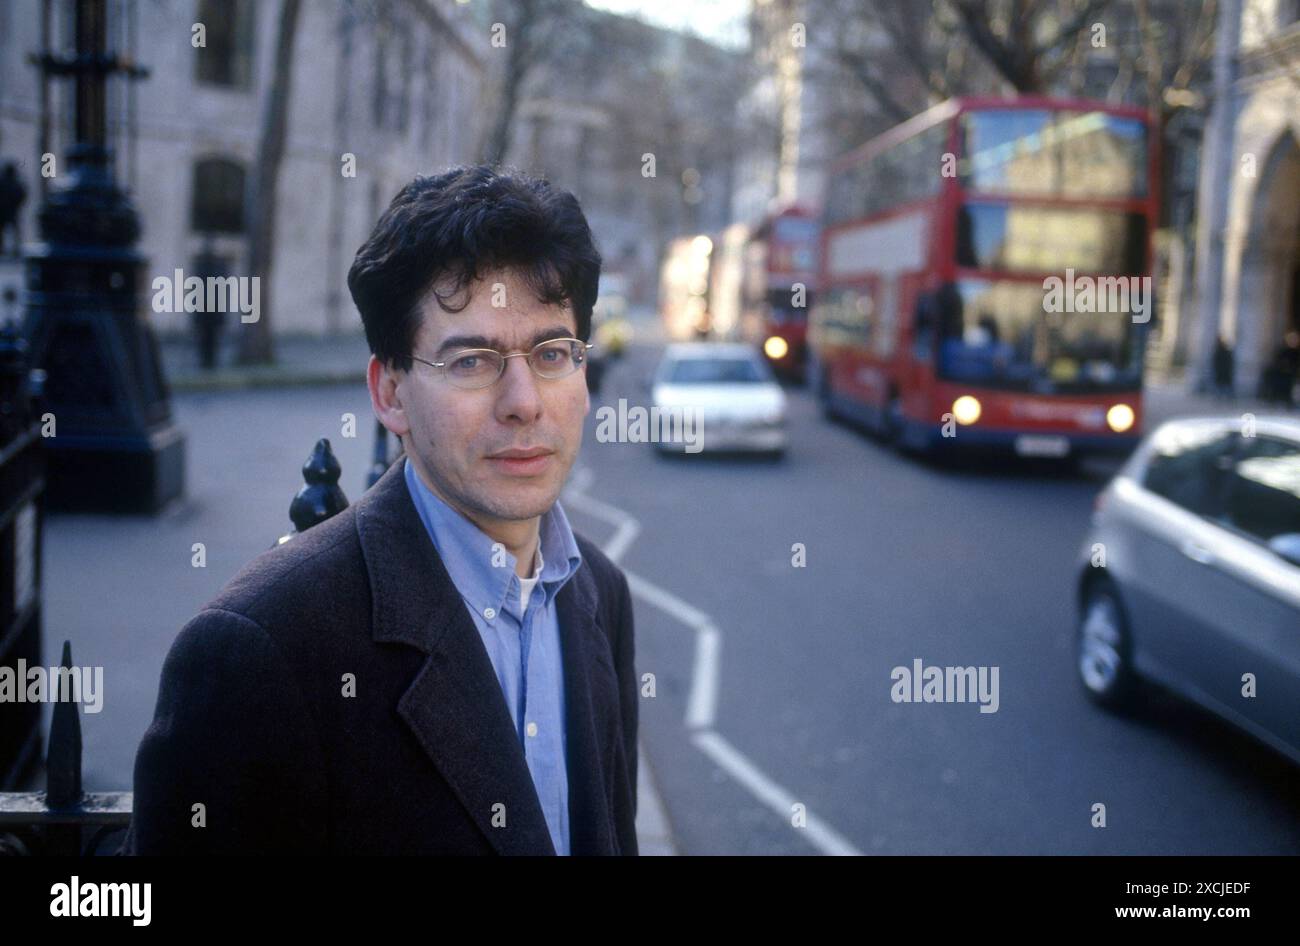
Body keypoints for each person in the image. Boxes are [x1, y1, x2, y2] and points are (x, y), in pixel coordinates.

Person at [122, 165, 638, 855]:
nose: (524, 401)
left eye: (551, 352)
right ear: (390, 393)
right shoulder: (258, 649)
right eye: (473, 361)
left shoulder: (600, 594)